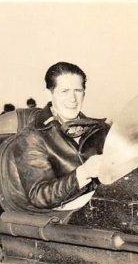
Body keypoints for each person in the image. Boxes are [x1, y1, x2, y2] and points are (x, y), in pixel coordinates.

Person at [10, 62, 109, 209]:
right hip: (65, 220)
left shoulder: (101, 129)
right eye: (65, 91)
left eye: (78, 90)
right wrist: (83, 174)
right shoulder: (32, 136)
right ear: (49, 94)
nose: (73, 98)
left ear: (84, 93)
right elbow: (39, 195)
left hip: (106, 207)